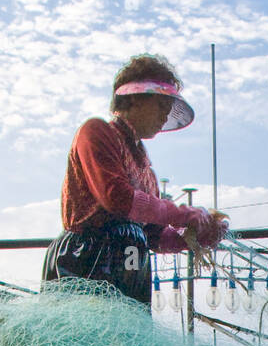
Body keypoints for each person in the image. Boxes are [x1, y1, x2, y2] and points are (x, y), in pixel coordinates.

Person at [43, 54, 228, 306]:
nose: (166, 114)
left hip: (132, 261)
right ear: (133, 98)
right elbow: (117, 198)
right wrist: (186, 214)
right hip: (87, 255)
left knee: (128, 341)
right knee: (88, 336)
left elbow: (153, 235)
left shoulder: (146, 168)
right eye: (162, 104)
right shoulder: (97, 132)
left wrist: (191, 238)